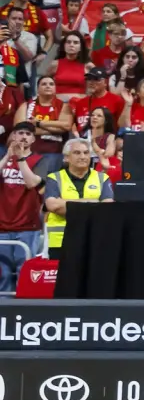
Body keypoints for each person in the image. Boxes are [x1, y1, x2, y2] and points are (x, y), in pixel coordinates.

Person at [44, 136, 113, 258]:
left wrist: (64, 203)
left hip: (93, 240)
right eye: (77, 153)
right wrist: (91, 201)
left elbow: (106, 209)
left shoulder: (102, 178)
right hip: (61, 242)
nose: (82, 156)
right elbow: (53, 206)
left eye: (86, 153)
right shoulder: (54, 178)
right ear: (66, 157)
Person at [0, 124, 46, 294]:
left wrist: (20, 159)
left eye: (28, 134)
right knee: (2, 274)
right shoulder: (3, 158)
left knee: (24, 272)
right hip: (2, 225)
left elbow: (32, 183)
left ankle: (22, 309)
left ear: (33, 139)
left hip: (28, 225)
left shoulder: (40, 160)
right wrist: (7, 157)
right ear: (13, 136)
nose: (24, 137)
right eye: (20, 133)